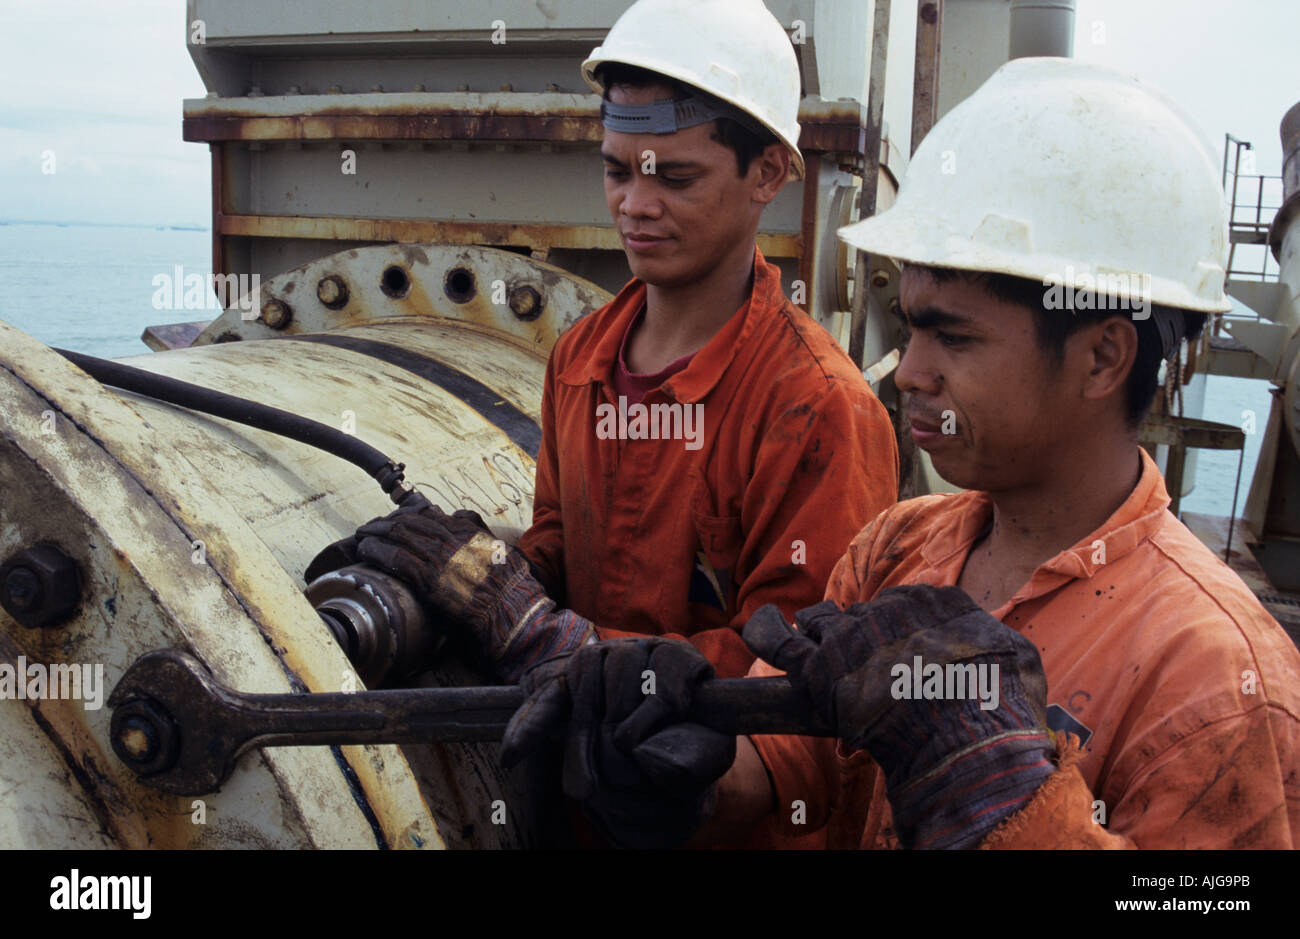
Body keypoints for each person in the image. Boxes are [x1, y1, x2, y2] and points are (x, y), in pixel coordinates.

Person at [501, 57, 1300, 850]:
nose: (910, 371)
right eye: (913, 327)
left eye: (952, 334)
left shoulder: (1219, 680)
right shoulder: (894, 553)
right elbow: (789, 763)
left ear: (1102, 357)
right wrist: (681, 765)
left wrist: (1008, 805)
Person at [343, 0, 899, 846]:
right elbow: (563, 543)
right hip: (577, 813)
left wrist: (552, 640)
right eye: (617, 171)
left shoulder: (816, 408)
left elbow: (802, 694)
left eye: (675, 178)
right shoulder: (582, 357)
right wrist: (485, 578)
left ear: (769, 174)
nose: (636, 205)